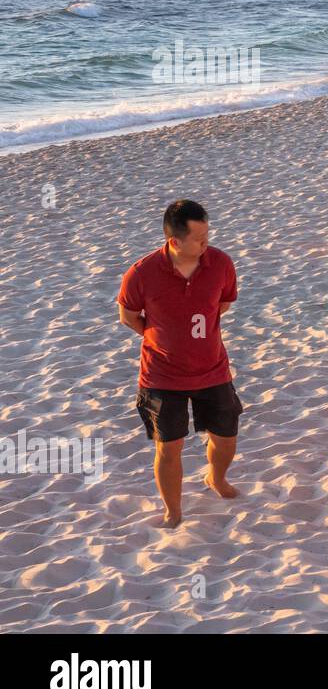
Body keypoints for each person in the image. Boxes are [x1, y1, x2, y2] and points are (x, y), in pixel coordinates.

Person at [118, 200, 241, 529]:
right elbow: (128, 316)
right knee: (169, 446)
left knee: (226, 437)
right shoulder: (142, 273)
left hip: (213, 369)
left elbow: (224, 304)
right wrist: (161, 335)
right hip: (162, 376)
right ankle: (173, 509)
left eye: (208, 235)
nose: (206, 243)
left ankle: (216, 478)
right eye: (199, 238)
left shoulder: (220, 263)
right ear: (175, 241)